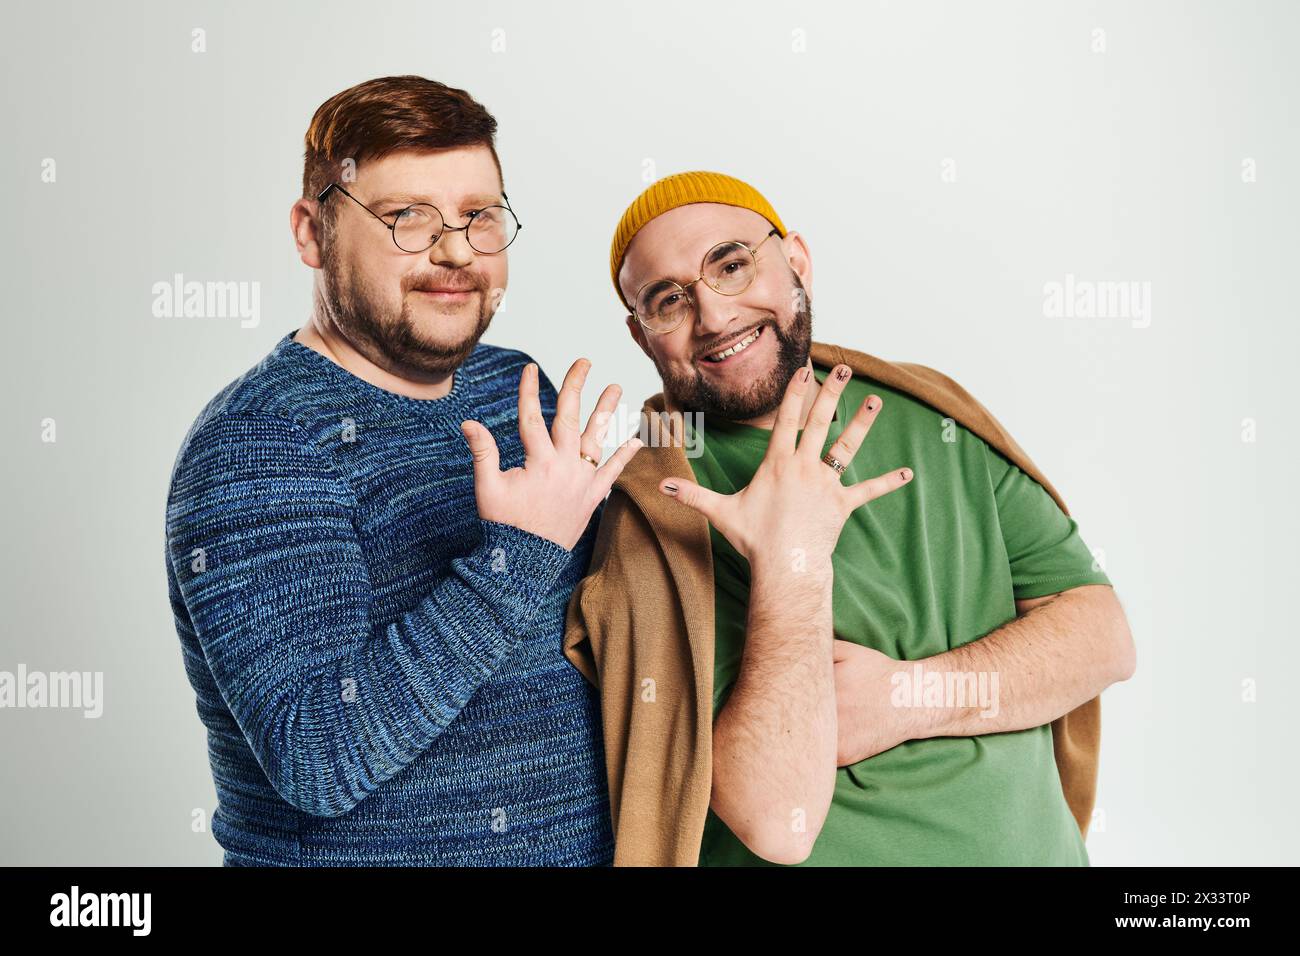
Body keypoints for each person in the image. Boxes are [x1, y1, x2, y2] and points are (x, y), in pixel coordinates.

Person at [564, 170, 1136, 865]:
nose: (713, 316)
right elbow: (776, 820)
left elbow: (1103, 638)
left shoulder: (932, 414)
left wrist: (907, 696)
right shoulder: (654, 505)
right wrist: (792, 564)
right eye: (669, 301)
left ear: (797, 261)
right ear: (641, 335)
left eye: (732, 265)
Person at [164, 75, 640, 865]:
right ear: (312, 233)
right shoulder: (259, 446)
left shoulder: (516, 388)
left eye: (479, 217)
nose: (455, 251)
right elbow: (317, 759)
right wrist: (519, 556)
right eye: (406, 218)